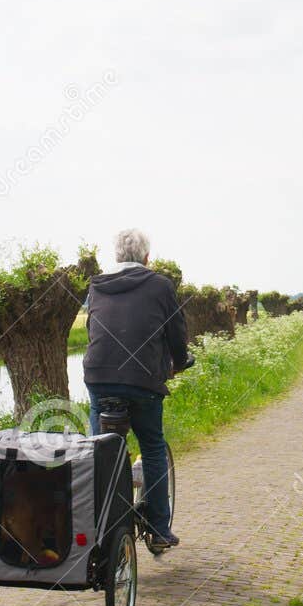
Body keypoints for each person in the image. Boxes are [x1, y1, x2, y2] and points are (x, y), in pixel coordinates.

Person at [82, 228, 189, 550]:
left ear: (116, 257)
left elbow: (93, 329)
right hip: (143, 381)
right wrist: (179, 362)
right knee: (153, 446)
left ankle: (94, 523)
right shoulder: (160, 285)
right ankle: (158, 529)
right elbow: (176, 333)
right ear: (146, 257)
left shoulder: (97, 285)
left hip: (99, 376)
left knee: (100, 450)